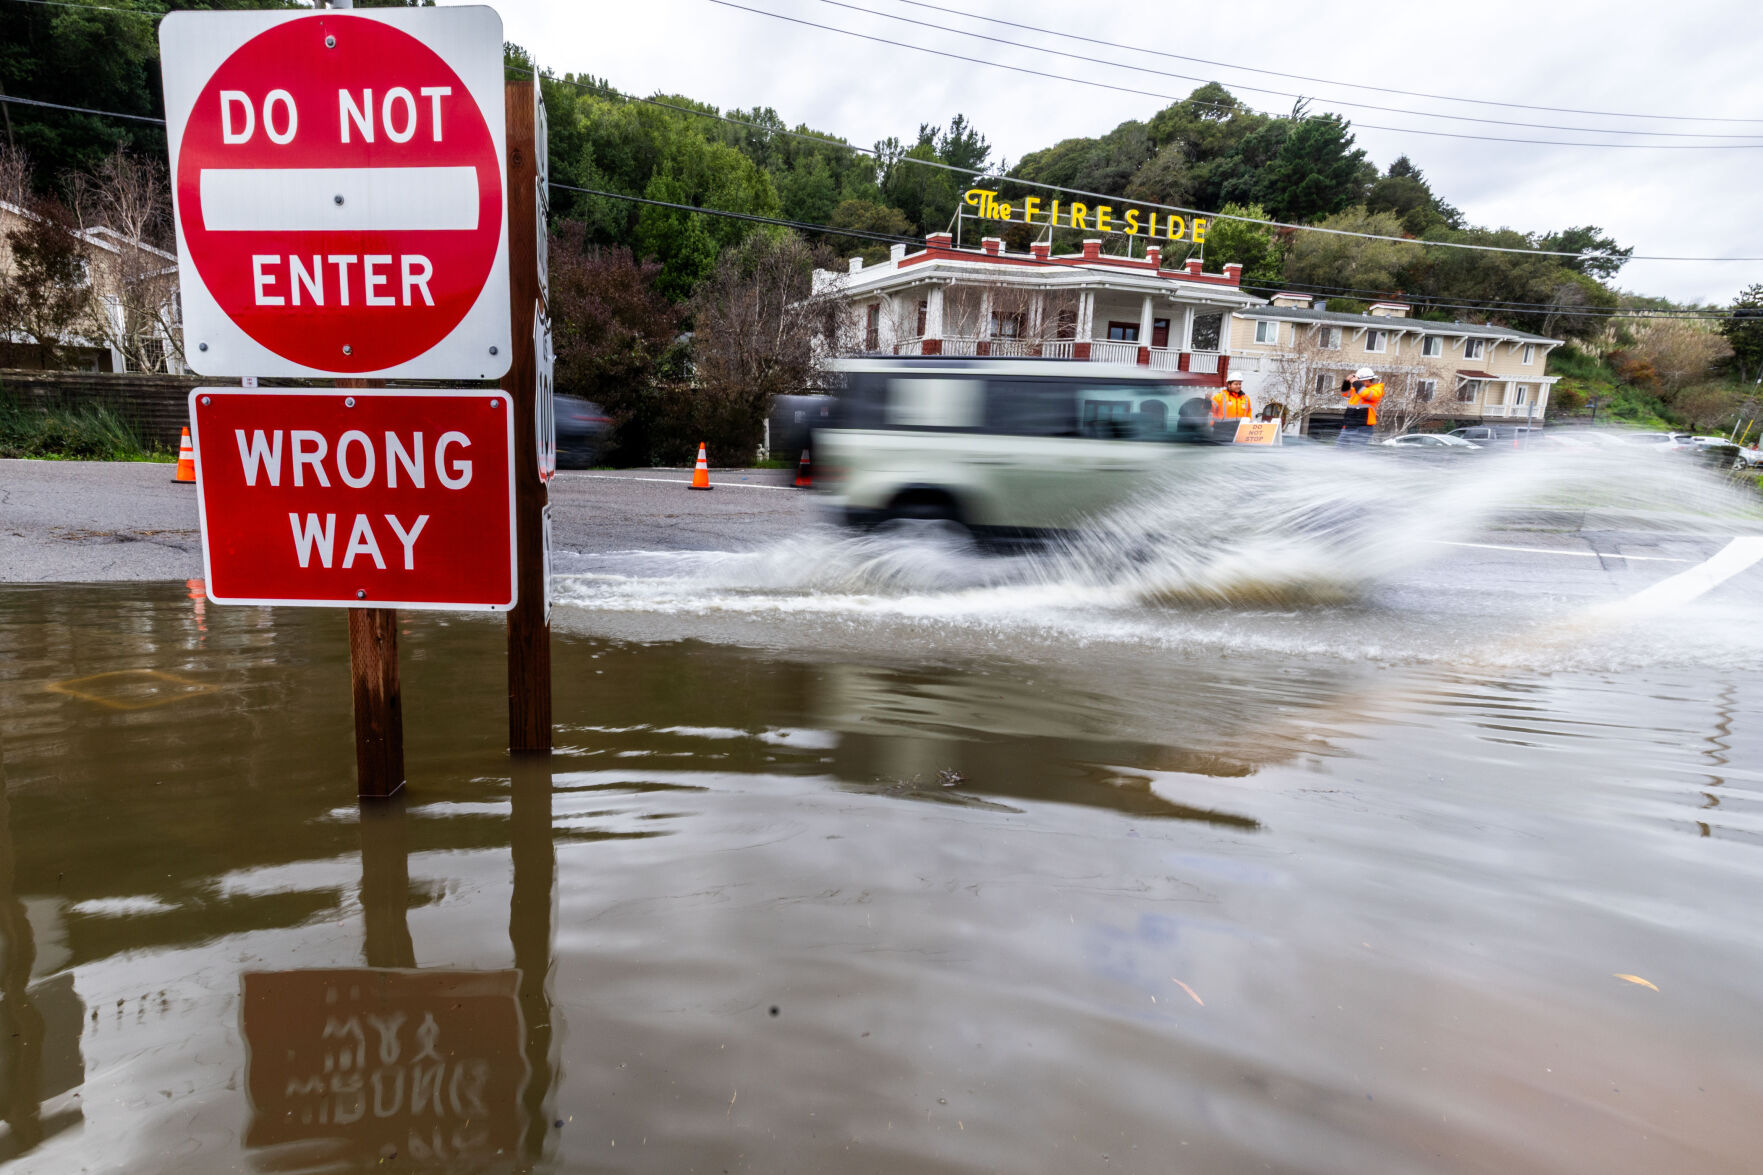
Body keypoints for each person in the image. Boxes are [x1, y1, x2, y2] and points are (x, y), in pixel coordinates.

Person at [1336, 367, 1384, 445]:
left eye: (1359, 381)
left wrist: (1355, 382)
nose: (1357, 383)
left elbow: (1366, 394)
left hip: (1362, 427)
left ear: (1368, 380)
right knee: (1339, 450)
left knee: (1356, 453)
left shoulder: (1376, 389)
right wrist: (1347, 381)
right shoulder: (1357, 389)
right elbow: (1344, 392)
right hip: (1348, 426)